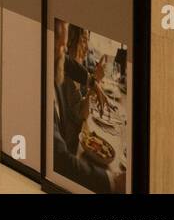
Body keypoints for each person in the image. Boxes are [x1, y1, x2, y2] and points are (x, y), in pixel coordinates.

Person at [52, 18, 125, 192]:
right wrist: (112, 182)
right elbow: (59, 159)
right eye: (61, 47)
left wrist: (93, 82)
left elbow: (68, 63)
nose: (64, 53)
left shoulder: (57, 60)